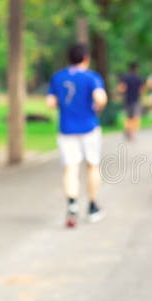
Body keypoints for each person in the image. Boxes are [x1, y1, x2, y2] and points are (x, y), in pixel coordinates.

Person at [46, 44, 108, 227]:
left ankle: (72, 204)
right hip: (89, 127)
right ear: (86, 58)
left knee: (70, 168)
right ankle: (92, 206)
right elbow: (100, 98)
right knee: (92, 166)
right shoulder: (91, 77)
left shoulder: (57, 77)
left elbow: (50, 102)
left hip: (66, 129)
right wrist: (98, 107)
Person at [118, 62, 145, 140]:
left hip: (127, 99)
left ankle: (128, 129)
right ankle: (131, 132)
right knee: (135, 116)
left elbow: (121, 88)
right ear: (136, 68)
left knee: (128, 116)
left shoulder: (125, 77)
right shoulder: (139, 77)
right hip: (136, 99)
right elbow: (142, 90)